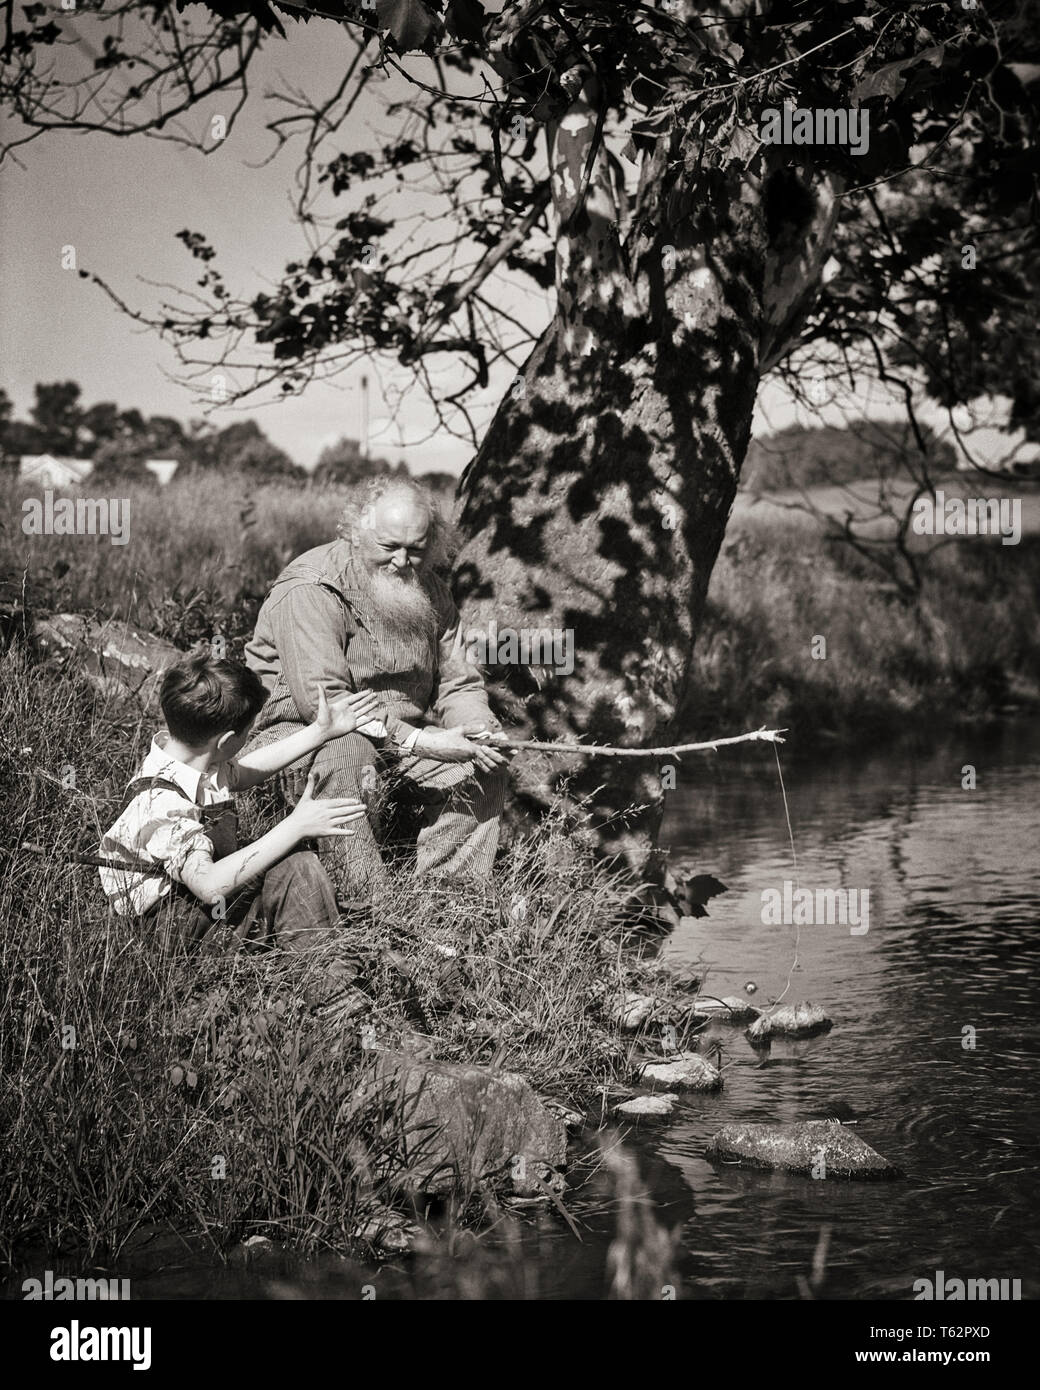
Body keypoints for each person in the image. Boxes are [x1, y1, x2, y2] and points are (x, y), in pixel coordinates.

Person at [243, 477, 509, 896]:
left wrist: (479, 729)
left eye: (416, 549)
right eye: (389, 547)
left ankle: (447, 900)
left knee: (483, 765)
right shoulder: (313, 587)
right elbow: (326, 705)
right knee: (347, 749)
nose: (403, 561)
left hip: (398, 739)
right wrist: (422, 742)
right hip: (300, 737)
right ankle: (368, 908)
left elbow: (459, 683)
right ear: (356, 531)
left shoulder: (434, 593)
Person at [99, 650, 378, 954]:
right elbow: (208, 885)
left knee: (293, 865)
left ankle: (324, 957)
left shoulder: (190, 758)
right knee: (295, 867)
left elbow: (243, 773)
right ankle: (333, 985)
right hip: (173, 932)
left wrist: (319, 732)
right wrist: (294, 826)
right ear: (226, 741)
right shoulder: (160, 804)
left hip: (195, 904)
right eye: (248, 732)